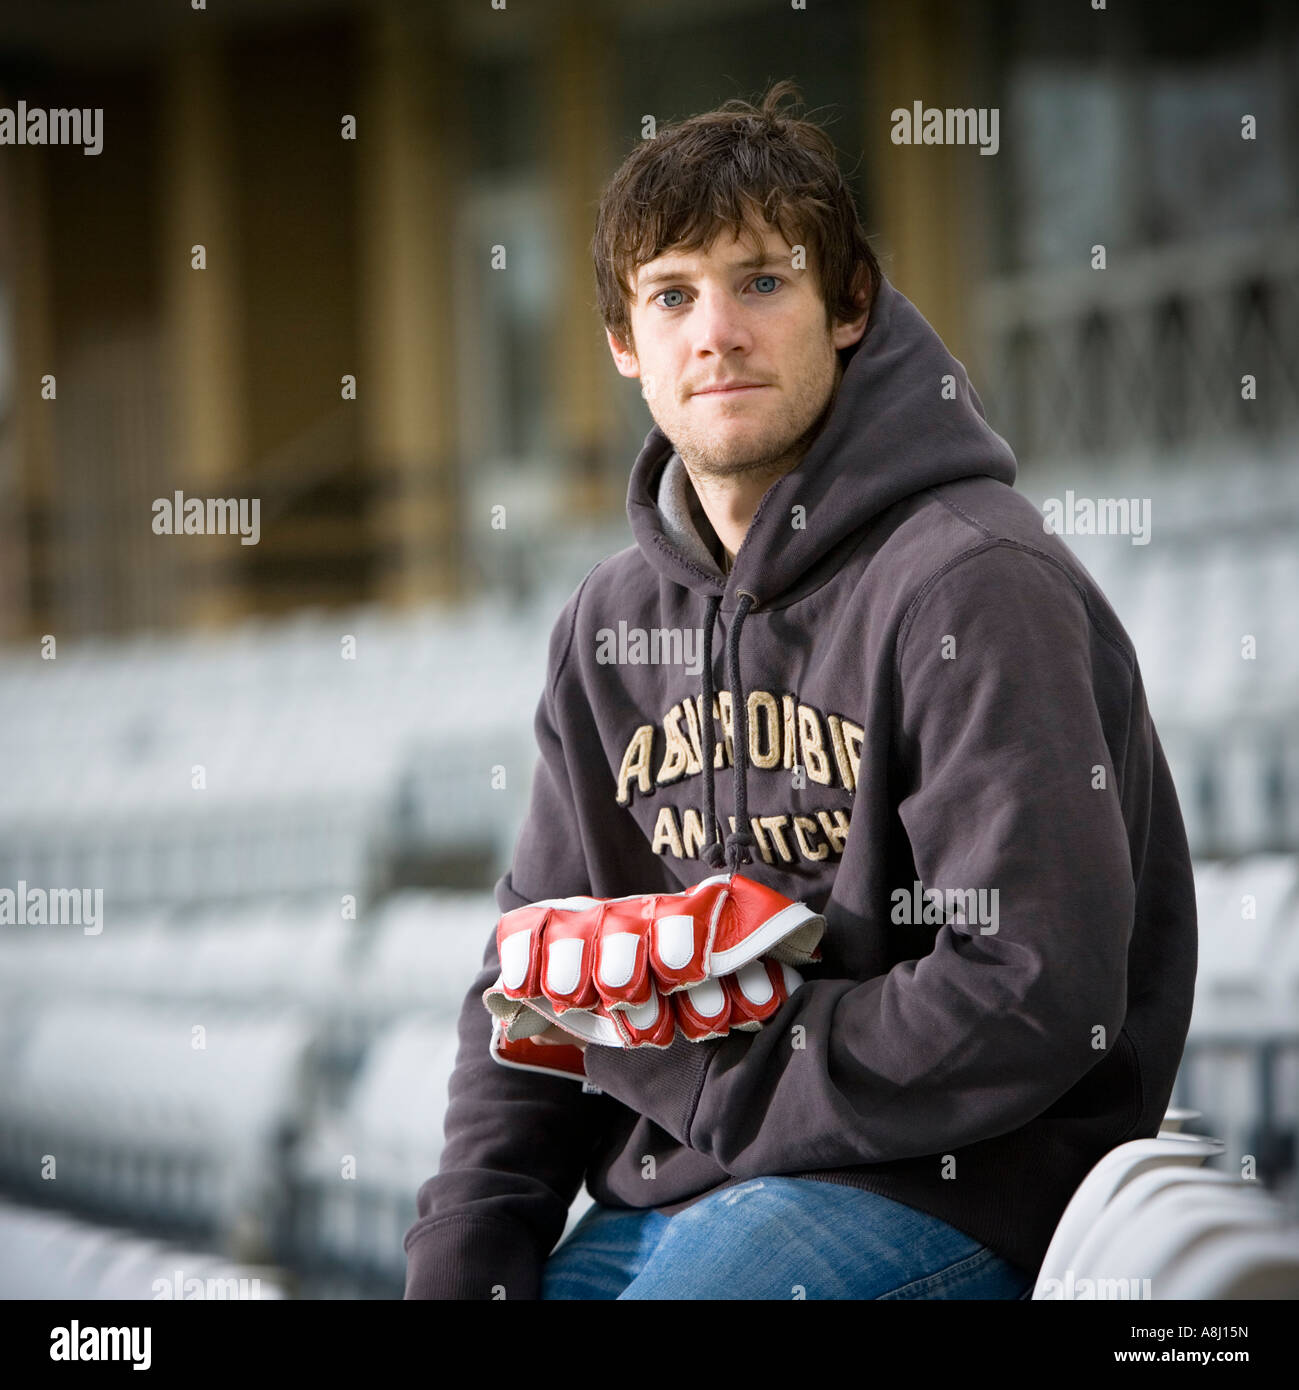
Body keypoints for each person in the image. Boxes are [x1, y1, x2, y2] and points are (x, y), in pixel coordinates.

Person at [402, 80, 1197, 1300]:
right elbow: (532, 983)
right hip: (682, 1192)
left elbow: (1035, 986)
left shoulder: (973, 585)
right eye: (672, 295)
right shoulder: (609, 627)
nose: (715, 331)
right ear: (626, 344)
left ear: (849, 306)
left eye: (762, 281)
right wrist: (466, 1258)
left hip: (953, 1189)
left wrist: (716, 1077)